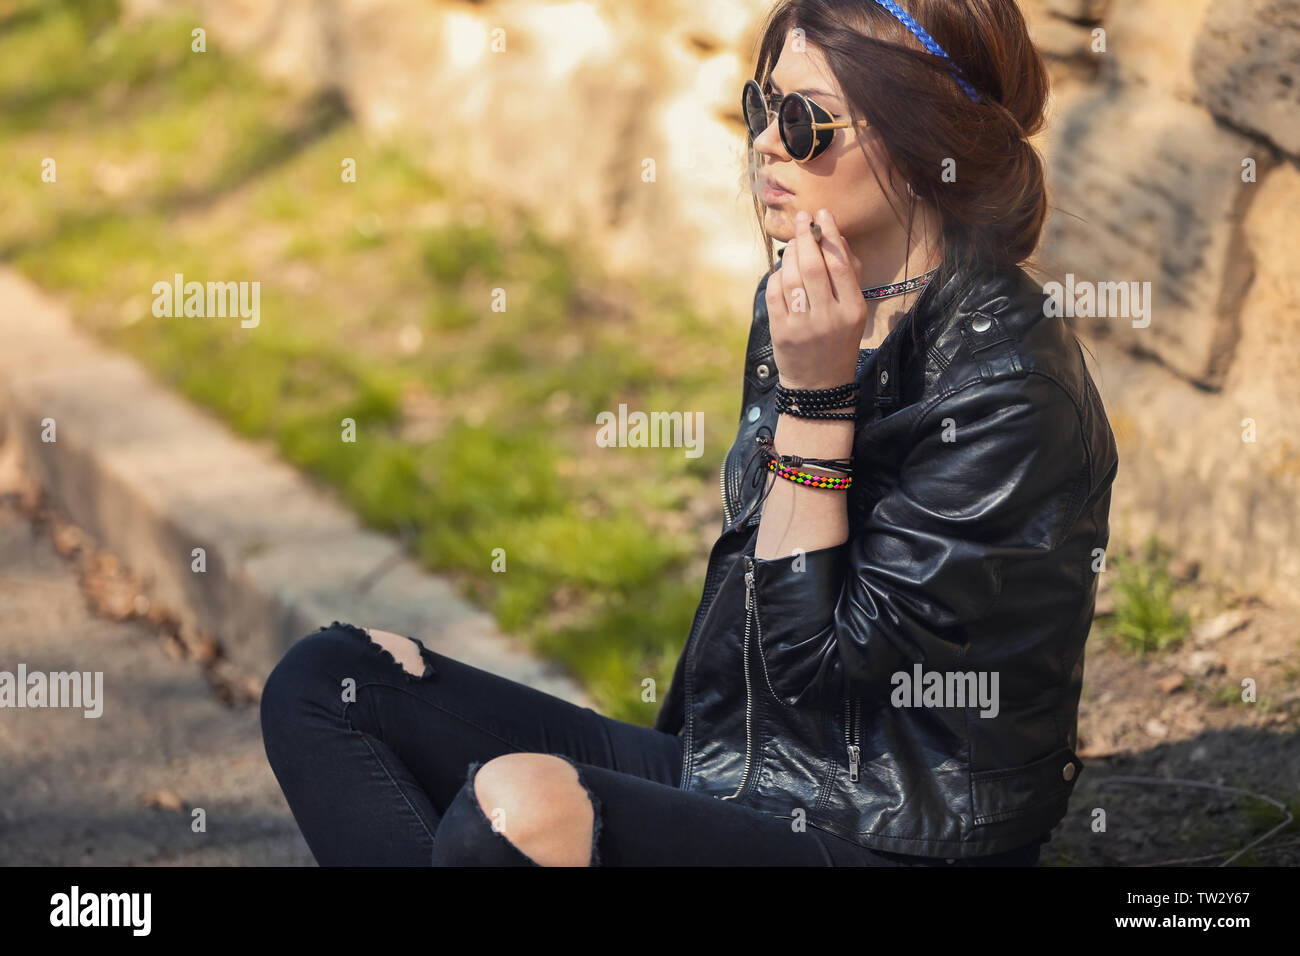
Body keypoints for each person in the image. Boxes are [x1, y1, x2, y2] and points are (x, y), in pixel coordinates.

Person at [260, 0, 1118, 866]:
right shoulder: (813, 297)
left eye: (804, 121)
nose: (765, 145)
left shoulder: (1010, 391)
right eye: (761, 106)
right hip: (746, 776)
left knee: (510, 818)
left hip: (891, 835)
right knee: (327, 684)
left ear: (919, 133)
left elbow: (815, 673)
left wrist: (818, 406)